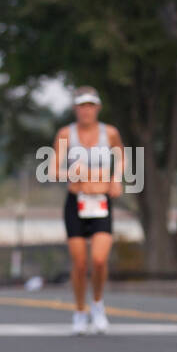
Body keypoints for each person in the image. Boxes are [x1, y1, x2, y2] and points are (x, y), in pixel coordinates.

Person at [53, 86, 124, 334]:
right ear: (75, 109)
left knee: (99, 259)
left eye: (90, 105)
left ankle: (97, 303)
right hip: (76, 201)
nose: (86, 110)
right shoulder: (66, 134)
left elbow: (122, 158)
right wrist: (70, 172)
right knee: (80, 263)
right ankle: (80, 310)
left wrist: (116, 179)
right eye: (81, 106)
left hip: (101, 202)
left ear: (98, 108)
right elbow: (52, 170)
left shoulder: (110, 133)